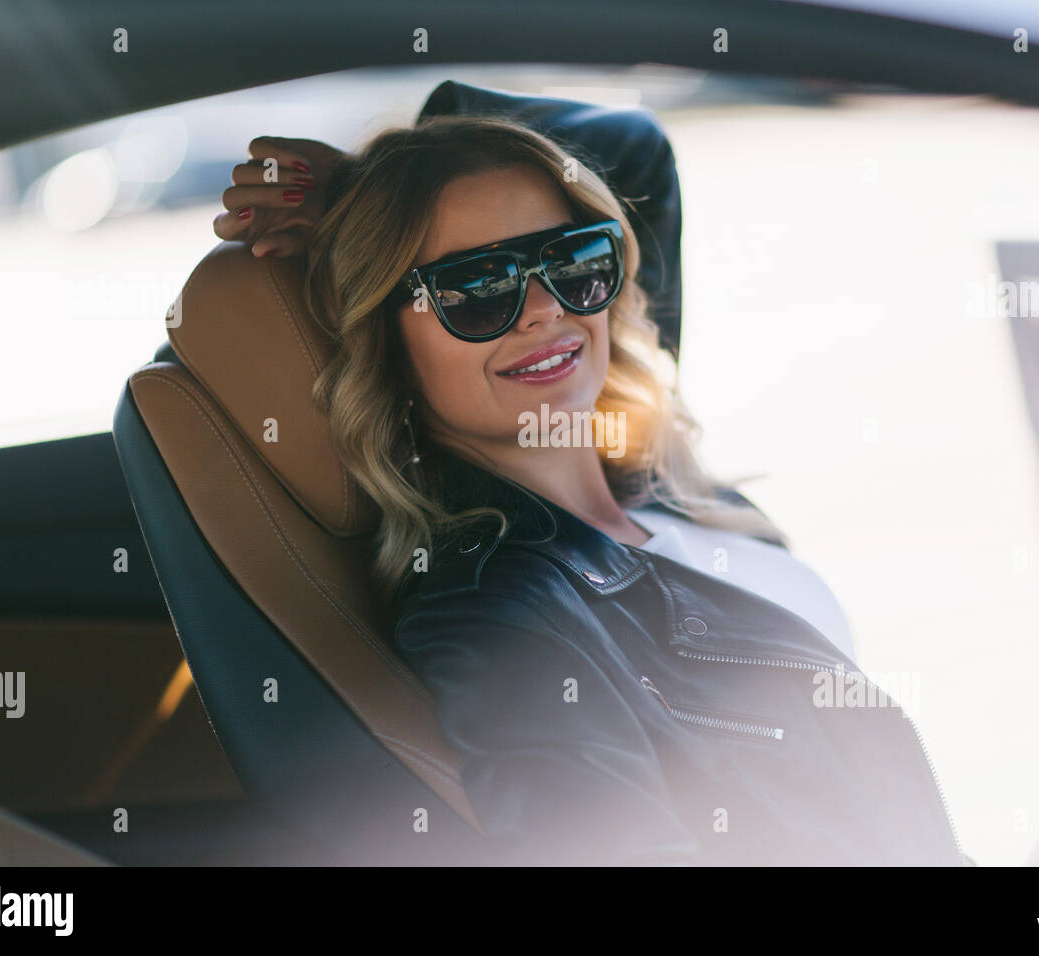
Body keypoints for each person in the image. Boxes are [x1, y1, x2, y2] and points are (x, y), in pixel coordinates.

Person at [213, 119, 967, 866]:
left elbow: (631, 143)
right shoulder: (499, 615)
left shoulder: (652, 471)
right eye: (477, 289)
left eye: (573, 262)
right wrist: (377, 206)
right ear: (389, 341)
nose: (547, 309)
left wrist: (358, 183)